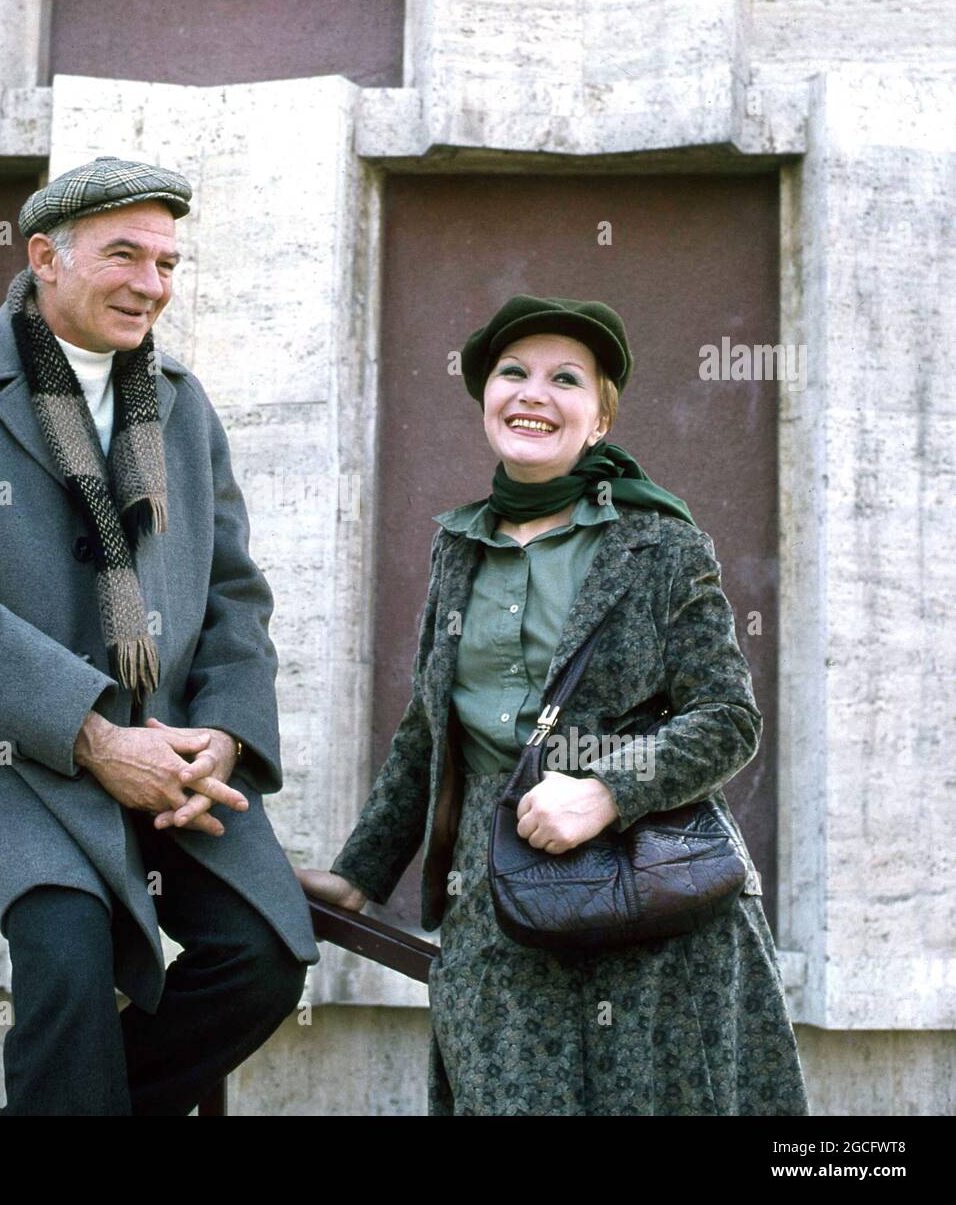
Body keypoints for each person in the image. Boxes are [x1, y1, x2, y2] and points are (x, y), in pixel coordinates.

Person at [0, 156, 318, 1115]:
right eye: (125, 255)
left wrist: (223, 735)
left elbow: (237, 595)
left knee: (266, 958)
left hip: (180, 757)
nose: (152, 286)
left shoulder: (184, 405)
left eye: (167, 263)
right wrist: (99, 739)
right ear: (45, 258)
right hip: (26, 756)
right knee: (66, 963)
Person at [298, 296, 810, 1115]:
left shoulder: (663, 543)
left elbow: (727, 716)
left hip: (656, 910)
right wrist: (361, 875)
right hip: (501, 914)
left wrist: (605, 789)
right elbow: (431, 731)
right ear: (487, 400)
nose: (534, 392)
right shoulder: (457, 547)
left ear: (599, 419)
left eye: (566, 379)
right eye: (514, 373)